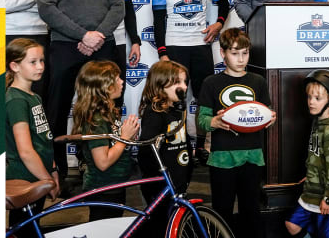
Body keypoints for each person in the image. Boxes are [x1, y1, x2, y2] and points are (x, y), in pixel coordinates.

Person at [37, 0, 124, 180]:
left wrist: (96, 35)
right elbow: (47, 9)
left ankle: (105, 169)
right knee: (58, 110)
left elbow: (118, 7)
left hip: (103, 46)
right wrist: (82, 36)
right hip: (65, 47)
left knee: (108, 109)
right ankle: (57, 173)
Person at [198, 28, 270, 238]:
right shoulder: (211, 83)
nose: (241, 59)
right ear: (223, 53)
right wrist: (216, 121)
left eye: (245, 53)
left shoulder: (258, 81)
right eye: (235, 53)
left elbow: (266, 114)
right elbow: (202, 121)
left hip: (253, 156)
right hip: (222, 158)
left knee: (252, 212)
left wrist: (269, 119)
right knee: (222, 213)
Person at [151, 0, 230, 110]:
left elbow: (224, 3)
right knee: (175, 101)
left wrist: (218, 24)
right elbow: (158, 22)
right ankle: (178, 138)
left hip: (201, 46)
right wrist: (162, 53)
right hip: (174, 48)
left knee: (206, 100)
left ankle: (204, 139)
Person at [285, 70, 329, 238]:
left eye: (317, 98)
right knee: (292, 225)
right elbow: (319, 157)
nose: (311, 102)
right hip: (312, 191)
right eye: (309, 97)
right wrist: (312, 175)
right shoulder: (318, 122)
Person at [72, 61, 141, 220]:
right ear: (104, 86)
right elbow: (102, 162)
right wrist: (124, 138)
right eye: (117, 79)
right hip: (103, 191)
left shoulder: (108, 113)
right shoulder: (96, 120)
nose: (122, 81)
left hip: (114, 187)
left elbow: (113, 145)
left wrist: (128, 136)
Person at [6, 39, 58, 237]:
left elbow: (43, 139)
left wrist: (52, 171)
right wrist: (46, 180)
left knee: (32, 227)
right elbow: (26, 151)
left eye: (42, 61)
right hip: (25, 180)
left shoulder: (33, 97)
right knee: (25, 231)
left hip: (38, 176)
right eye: (33, 62)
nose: (40, 67)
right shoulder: (16, 100)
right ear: (15, 66)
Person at [137, 60, 192, 217]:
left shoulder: (176, 110)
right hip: (161, 187)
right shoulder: (155, 113)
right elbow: (146, 151)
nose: (185, 87)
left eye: (185, 82)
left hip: (178, 181)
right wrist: (158, 181)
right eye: (178, 82)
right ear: (160, 84)